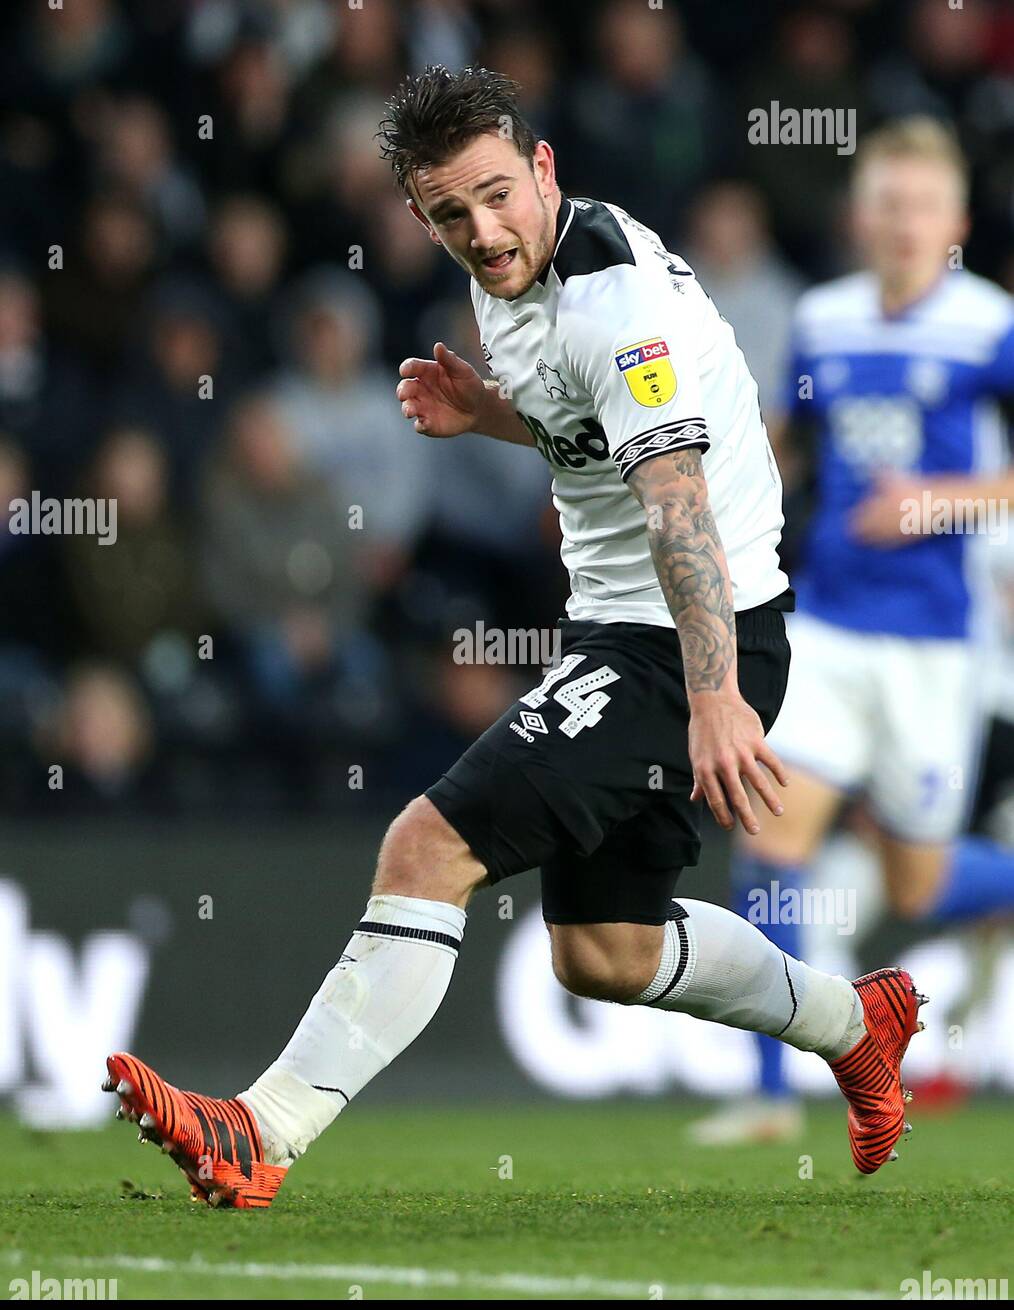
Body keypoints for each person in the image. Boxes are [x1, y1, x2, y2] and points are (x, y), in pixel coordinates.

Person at [103, 67, 925, 1209]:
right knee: (606, 954)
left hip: (684, 639)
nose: (481, 233)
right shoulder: (523, 269)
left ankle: (263, 1128)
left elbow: (675, 493)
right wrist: (493, 416)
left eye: (497, 196)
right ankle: (857, 1023)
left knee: (425, 847)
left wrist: (715, 693)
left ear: (544, 168)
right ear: (419, 215)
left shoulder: (612, 303)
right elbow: (592, 423)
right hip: (649, 631)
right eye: (449, 214)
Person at [694, 117, 1014, 1147]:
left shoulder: (989, 326)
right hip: (829, 624)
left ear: (955, 220)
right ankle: (769, 1094)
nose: (903, 222)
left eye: (922, 204)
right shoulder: (822, 320)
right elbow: (782, 445)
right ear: (859, 216)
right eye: (886, 202)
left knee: (919, 880)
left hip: (935, 644)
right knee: (768, 831)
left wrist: (933, 503)